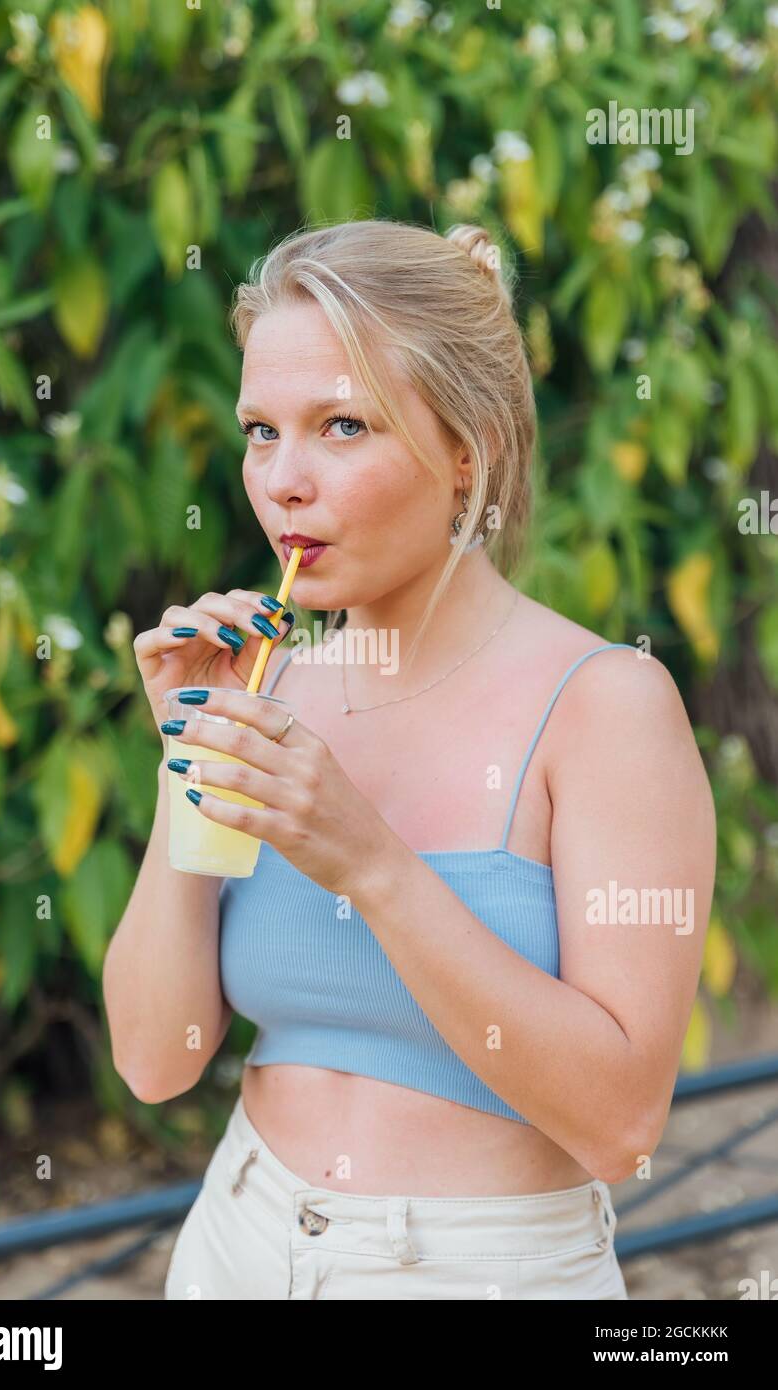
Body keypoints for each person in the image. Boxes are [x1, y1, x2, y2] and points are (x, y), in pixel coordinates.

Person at [102, 219, 716, 1300]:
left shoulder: (607, 707)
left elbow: (623, 1125)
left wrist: (372, 864)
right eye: (260, 432)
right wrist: (189, 761)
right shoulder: (273, 687)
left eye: (342, 425)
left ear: (465, 447)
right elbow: (158, 1060)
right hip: (236, 1239)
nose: (284, 480)